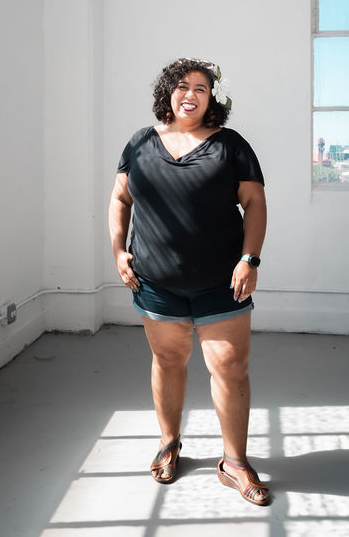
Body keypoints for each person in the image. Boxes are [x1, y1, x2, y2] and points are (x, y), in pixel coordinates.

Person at [108, 57, 270, 506]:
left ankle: (234, 462)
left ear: (211, 98)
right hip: (155, 281)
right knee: (167, 359)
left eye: (201, 88)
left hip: (221, 280)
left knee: (230, 366)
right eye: (182, 86)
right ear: (168, 93)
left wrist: (249, 259)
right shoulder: (140, 143)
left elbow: (254, 202)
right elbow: (120, 199)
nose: (191, 94)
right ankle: (169, 442)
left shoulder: (230, 145)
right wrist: (119, 250)